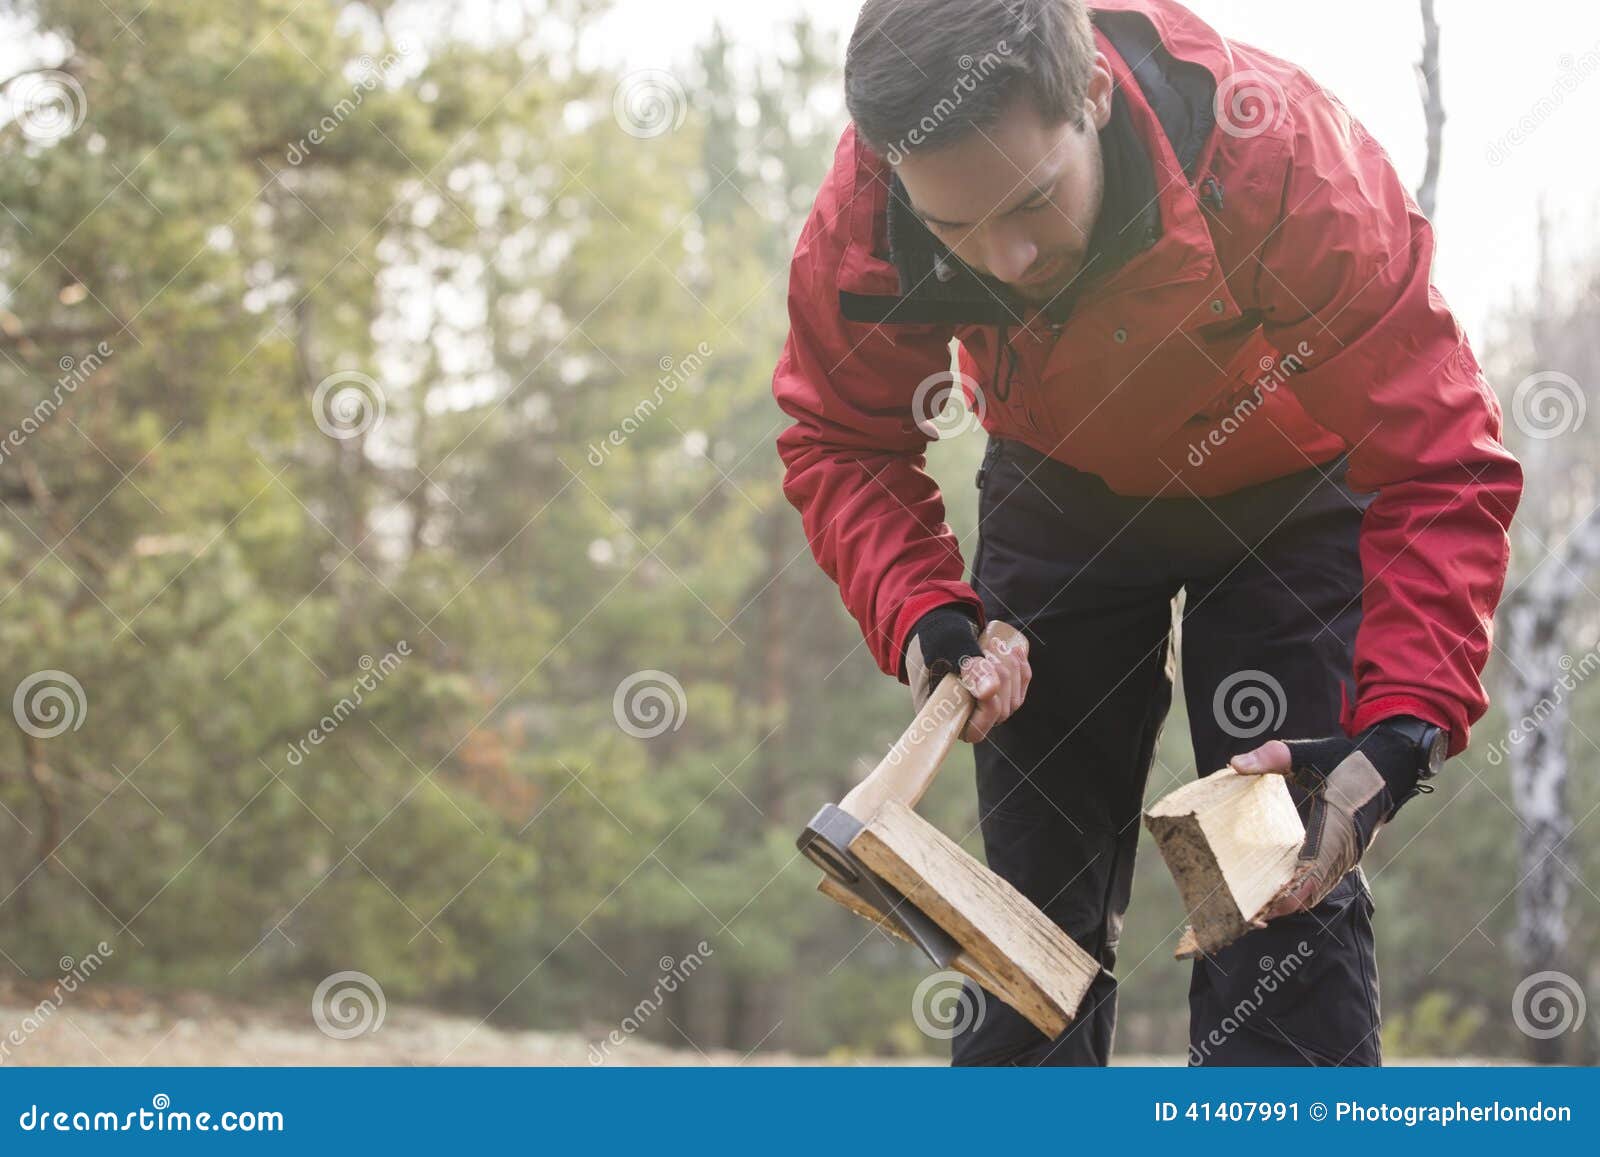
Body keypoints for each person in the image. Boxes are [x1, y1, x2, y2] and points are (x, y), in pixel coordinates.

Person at [770, 0, 1522, 1066]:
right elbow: (839, 436)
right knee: (1026, 916)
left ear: (1093, 94)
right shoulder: (869, 203)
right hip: (1057, 484)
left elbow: (1439, 459)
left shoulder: (1283, 159)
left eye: (1033, 201)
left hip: (1292, 498)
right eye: (957, 231)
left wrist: (1399, 729)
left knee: (1273, 899)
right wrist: (928, 616)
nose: (1009, 256)